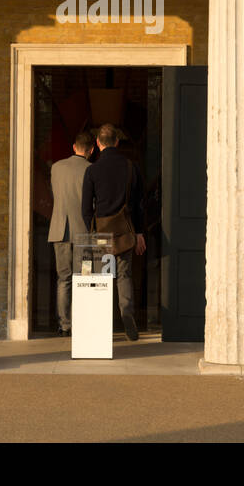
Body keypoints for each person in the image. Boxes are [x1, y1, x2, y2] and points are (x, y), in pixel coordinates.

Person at [80, 123, 146, 340]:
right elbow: (138, 204)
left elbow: (85, 208)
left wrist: (93, 229)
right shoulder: (131, 167)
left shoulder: (92, 170)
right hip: (125, 232)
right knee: (124, 275)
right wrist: (139, 233)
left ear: (98, 144)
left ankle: (101, 325)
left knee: (102, 277)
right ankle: (126, 313)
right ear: (117, 142)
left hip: (101, 233)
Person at [47, 130, 94, 336]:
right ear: (91, 150)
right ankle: (82, 322)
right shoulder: (92, 170)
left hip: (59, 230)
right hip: (83, 233)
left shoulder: (56, 168)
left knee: (63, 278)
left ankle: (65, 325)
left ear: (74, 147)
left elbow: (54, 195)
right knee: (83, 277)